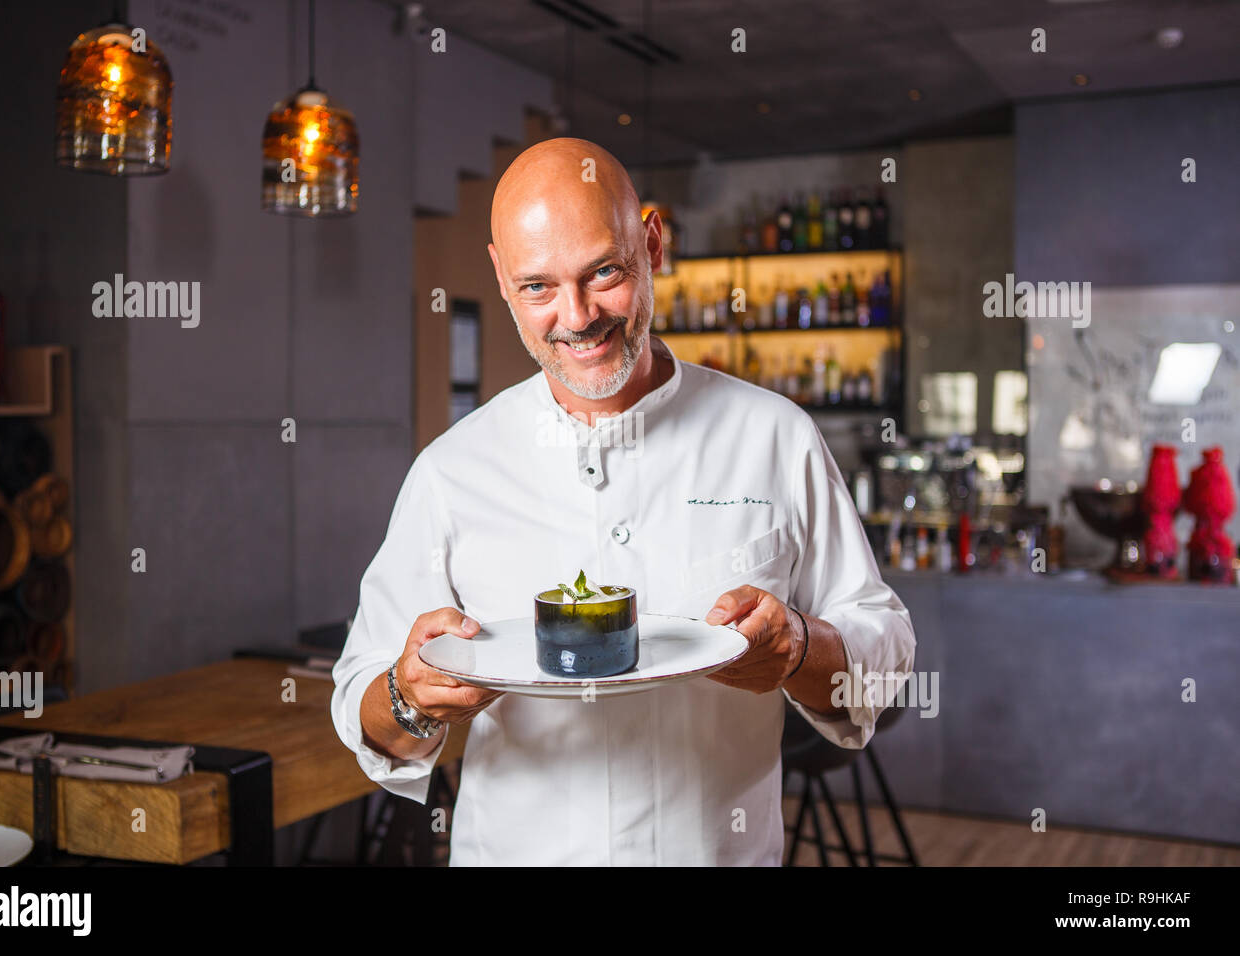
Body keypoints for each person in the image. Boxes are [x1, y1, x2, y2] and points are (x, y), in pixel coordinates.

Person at [331, 137, 915, 865]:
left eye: (603, 271)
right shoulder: (452, 470)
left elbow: (882, 659)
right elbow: (366, 711)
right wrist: (407, 694)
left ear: (652, 243)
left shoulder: (775, 436)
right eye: (538, 286)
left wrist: (798, 648)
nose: (576, 317)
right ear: (501, 280)